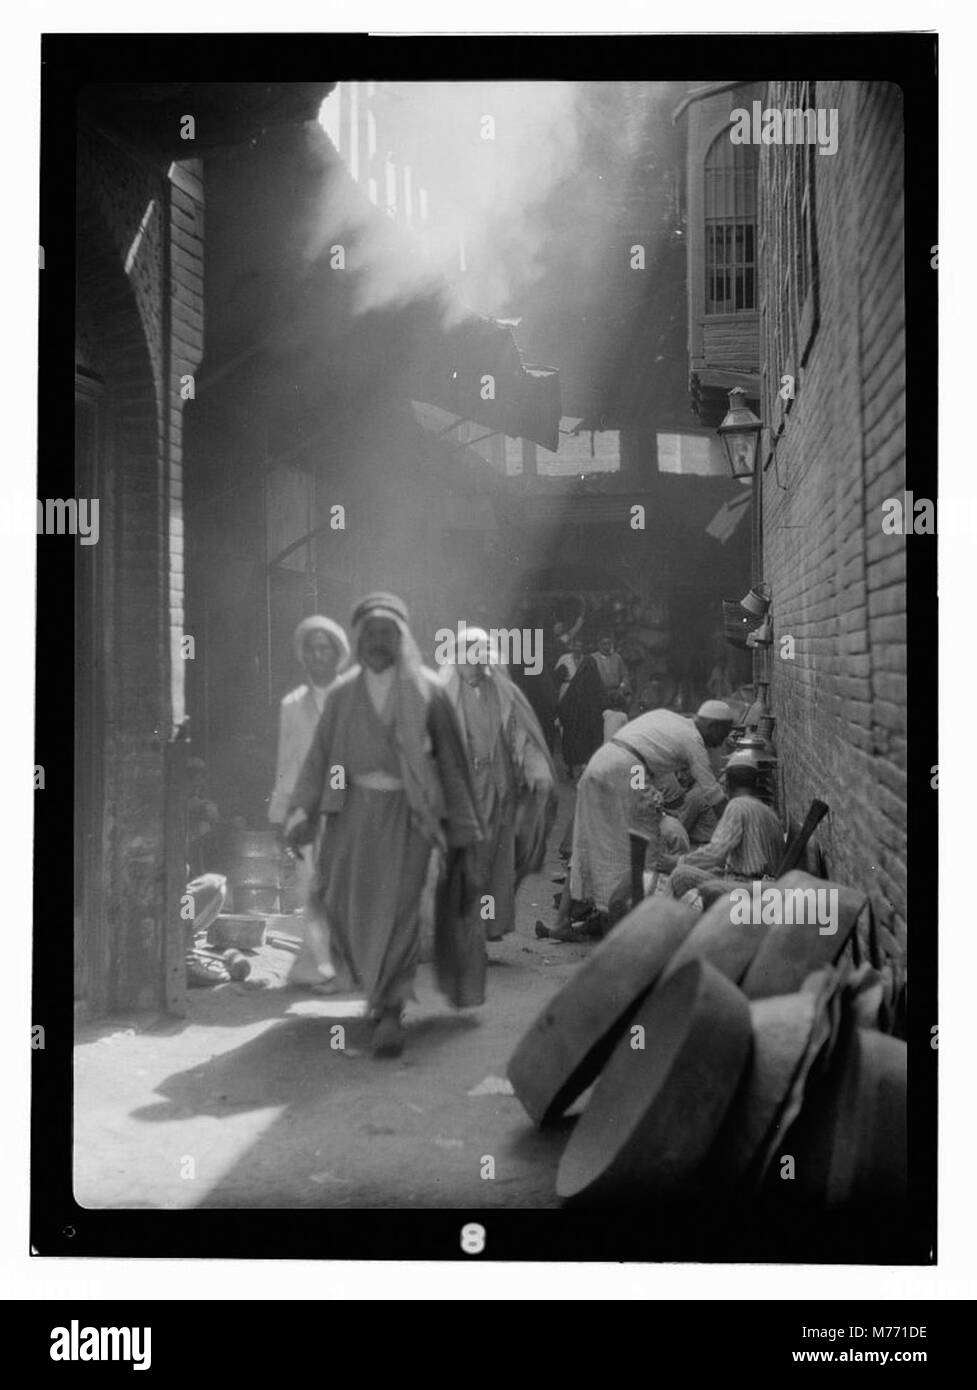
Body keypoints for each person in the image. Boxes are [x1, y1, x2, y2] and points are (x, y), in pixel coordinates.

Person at [286, 593, 482, 1058]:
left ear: (401, 637)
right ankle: (377, 990)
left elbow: (452, 763)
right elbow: (317, 761)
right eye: (369, 633)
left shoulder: (428, 690)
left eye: (386, 632)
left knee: (397, 908)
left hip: (410, 815)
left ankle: (392, 1007)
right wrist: (301, 813)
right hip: (351, 813)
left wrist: (463, 826)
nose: (377, 641)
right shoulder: (341, 695)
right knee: (343, 903)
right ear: (358, 639)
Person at [563, 699, 734, 924]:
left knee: (586, 841)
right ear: (713, 726)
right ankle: (636, 921)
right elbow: (713, 794)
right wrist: (734, 828)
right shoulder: (693, 740)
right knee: (646, 849)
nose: (719, 744)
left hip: (600, 762)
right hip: (627, 770)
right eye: (722, 736)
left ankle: (564, 920)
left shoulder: (669, 716)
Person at [439, 628, 555, 942]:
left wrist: (537, 772)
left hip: (498, 791)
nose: (475, 667)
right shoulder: (441, 697)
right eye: (468, 660)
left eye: (480, 660)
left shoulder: (504, 695)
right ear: (457, 660)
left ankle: (485, 930)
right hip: (460, 795)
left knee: (494, 868)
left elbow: (524, 741)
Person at [269, 614, 351, 986]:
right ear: (303, 657)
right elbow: (286, 764)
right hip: (307, 813)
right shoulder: (292, 705)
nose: (318, 656)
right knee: (312, 889)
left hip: (350, 810)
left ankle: (348, 964)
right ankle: (324, 967)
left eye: (325, 649)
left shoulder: (354, 699)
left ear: (338, 654)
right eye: (311, 650)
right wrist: (282, 816)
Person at [666, 757, 784, 905]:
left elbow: (715, 853)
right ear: (755, 783)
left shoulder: (736, 806)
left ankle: (661, 925)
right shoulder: (769, 812)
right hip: (766, 884)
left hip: (748, 886)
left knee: (679, 875)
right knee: (707, 871)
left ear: (727, 784)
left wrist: (678, 861)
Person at [558, 651, 606, 778]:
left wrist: (564, 719)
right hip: (590, 726)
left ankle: (575, 769)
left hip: (578, 725)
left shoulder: (575, 686)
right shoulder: (598, 687)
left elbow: (564, 706)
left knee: (577, 746)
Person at [593, 633, 631, 702]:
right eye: (604, 644)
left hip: (616, 693)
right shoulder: (593, 658)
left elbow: (625, 674)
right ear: (599, 645)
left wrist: (622, 686)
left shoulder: (617, 657)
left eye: (609, 643)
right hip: (598, 693)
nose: (607, 646)